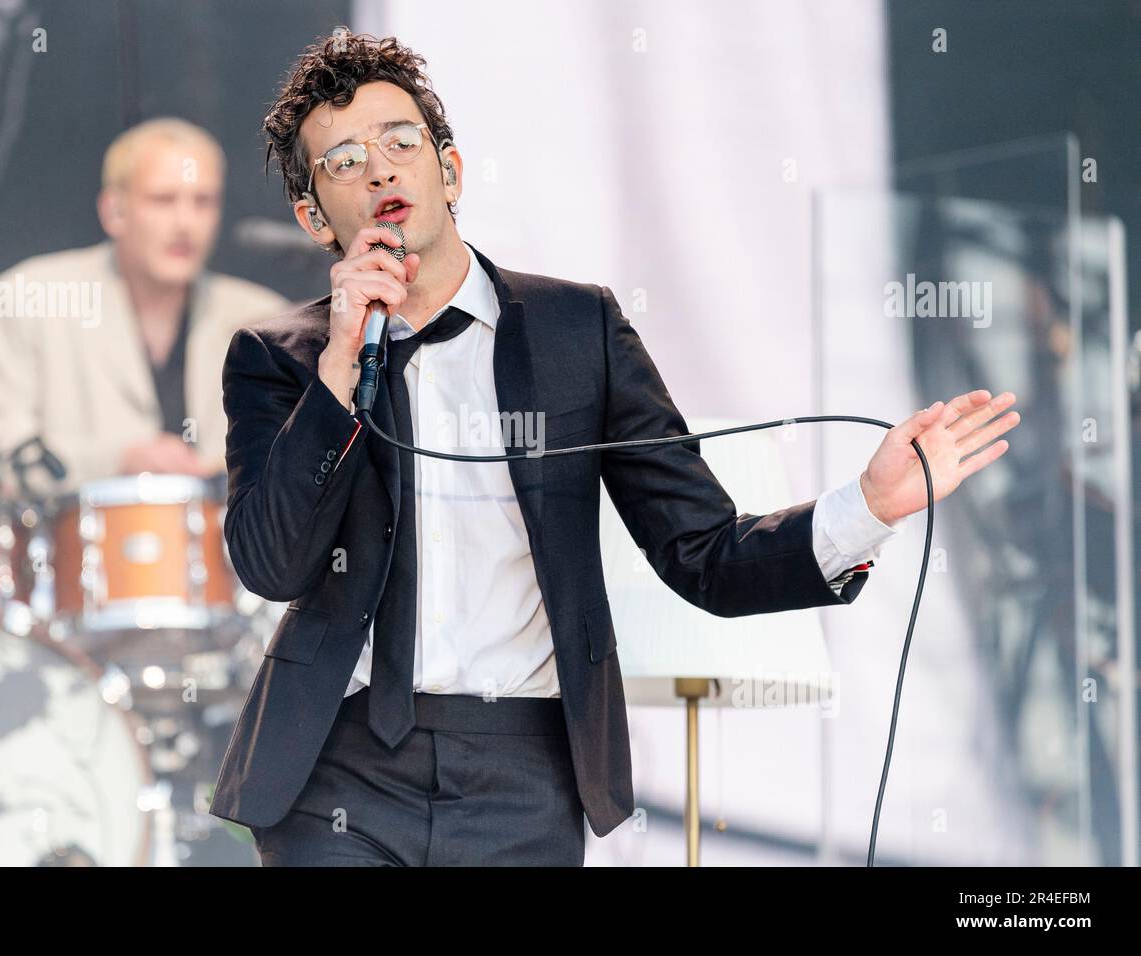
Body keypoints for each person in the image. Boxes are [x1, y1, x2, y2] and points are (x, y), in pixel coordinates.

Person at [209, 31, 1020, 866]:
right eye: (343, 161)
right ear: (314, 217)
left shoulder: (577, 330)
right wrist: (341, 366)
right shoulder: (280, 357)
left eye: (401, 142)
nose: (379, 169)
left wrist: (868, 506)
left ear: (448, 171)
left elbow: (702, 551)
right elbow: (273, 565)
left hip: (525, 770)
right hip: (340, 774)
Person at [0, 117, 290, 496]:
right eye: (163, 200)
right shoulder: (29, 299)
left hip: (218, 553)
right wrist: (116, 462)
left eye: (203, 202)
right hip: (73, 550)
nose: (185, 223)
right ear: (114, 211)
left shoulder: (264, 318)